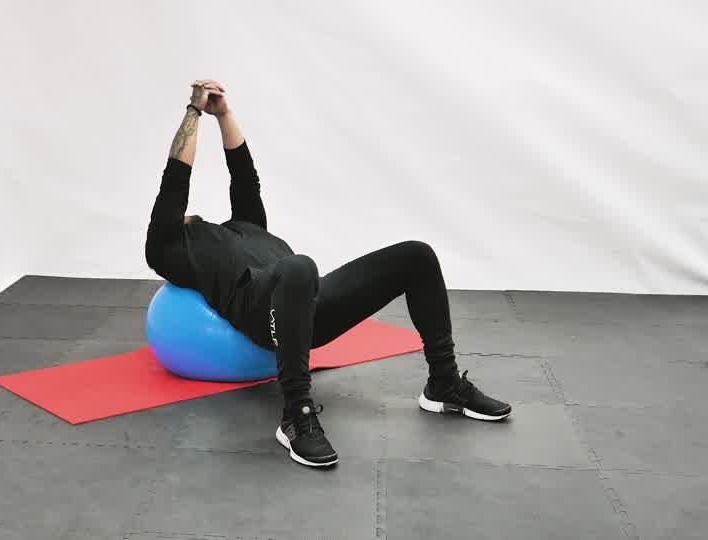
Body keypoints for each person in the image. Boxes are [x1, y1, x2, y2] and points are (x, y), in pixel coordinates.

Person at [145, 79, 512, 468]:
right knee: (299, 266)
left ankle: (443, 382)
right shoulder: (170, 247)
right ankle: (296, 416)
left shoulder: (244, 225)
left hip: (307, 305)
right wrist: (194, 111)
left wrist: (224, 114)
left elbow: (244, 175)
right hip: (261, 313)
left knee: (416, 255)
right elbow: (175, 180)